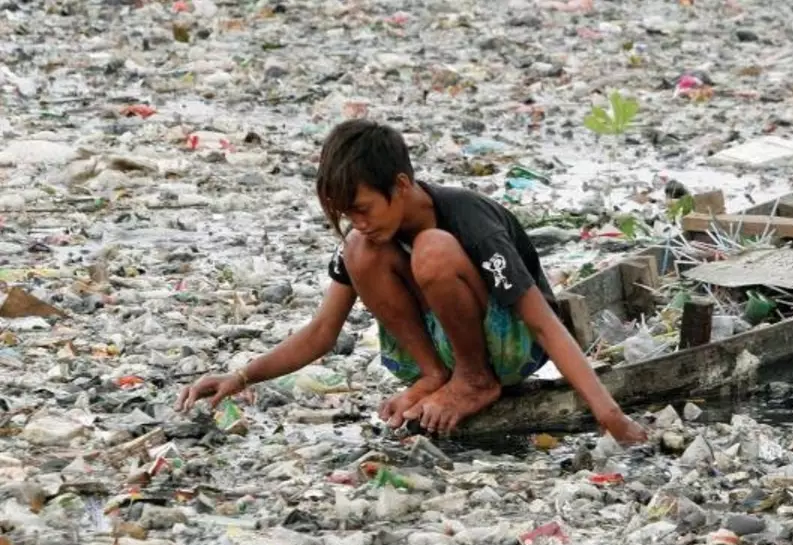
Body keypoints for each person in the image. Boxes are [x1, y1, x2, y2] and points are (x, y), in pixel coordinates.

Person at [176, 119, 648, 444]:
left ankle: (473, 381)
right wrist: (239, 377)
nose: (357, 221)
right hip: (443, 350)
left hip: (511, 347)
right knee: (359, 251)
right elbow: (322, 332)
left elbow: (544, 322)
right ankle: (435, 375)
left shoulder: (468, 219)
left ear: (401, 185)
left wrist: (609, 415)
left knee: (433, 250)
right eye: (347, 213)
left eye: (363, 208)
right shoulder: (366, 237)